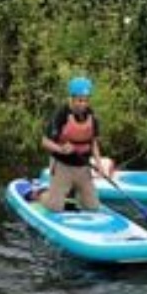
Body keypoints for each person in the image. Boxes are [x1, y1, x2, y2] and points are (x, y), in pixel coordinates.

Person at [39, 76, 105, 212]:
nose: (83, 104)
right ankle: (41, 194)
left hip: (83, 166)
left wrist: (99, 165)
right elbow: (44, 142)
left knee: (93, 208)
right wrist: (60, 149)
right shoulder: (60, 114)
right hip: (62, 165)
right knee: (55, 207)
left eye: (86, 100)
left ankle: (77, 196)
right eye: (80, 100)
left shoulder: (91, 115)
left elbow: (93, 143)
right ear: (72, 98)